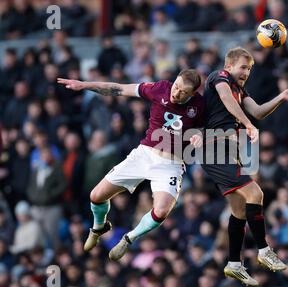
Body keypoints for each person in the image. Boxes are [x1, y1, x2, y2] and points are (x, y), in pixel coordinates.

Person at [57, 69, 204, 259]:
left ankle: (129, 238)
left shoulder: (201, 106)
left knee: (161, 211)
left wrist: (201, 135)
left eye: (183, 92)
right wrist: (85, 85)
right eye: (176, 86)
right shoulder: (160, 88)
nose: (176, 93)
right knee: (96, 196)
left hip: (170, 164)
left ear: (192, 94)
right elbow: (118, 89)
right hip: (144, 155)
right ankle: (98, 228)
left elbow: (212, 127)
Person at [201, 47, 288, 286]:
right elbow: (227, 100)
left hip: (228, 151)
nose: (246, 72)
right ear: (229, 65)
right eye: (243, 67)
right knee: (255, 192)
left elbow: (258, 111)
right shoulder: (219, 77)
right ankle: (264, 250)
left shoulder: (239, 89)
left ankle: (234, 263)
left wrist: (281, 97)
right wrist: (247, 125)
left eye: (249, 68)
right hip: (213, 148)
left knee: (239, 209)